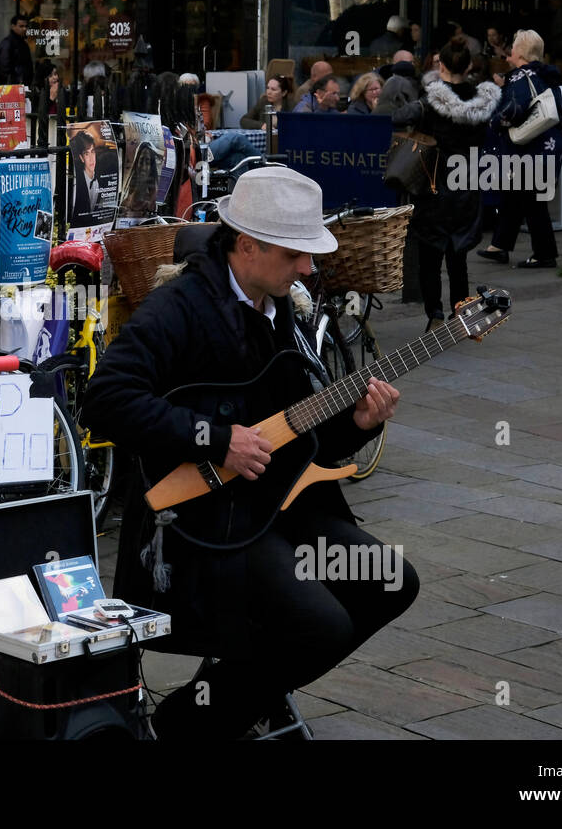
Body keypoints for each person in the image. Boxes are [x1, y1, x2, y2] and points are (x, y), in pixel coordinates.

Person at [81, 166, 417, 740]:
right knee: (322, 626)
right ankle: (192, 722)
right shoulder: (179, 308)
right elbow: (104, 400)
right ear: (247, 245)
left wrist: (356, 425)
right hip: (200, 522)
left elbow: (295, 436)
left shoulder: (276, 303)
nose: (309, 268)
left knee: (392, 581)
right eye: (296, 255)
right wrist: (213, 437)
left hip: (277, 505)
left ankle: (236, 695)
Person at [392, 36, 500, 330]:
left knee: (430, 256)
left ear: (441, 65)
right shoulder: (482, 103)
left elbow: (397, 116)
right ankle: (461, 313)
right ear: (468, 67)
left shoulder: (429, 103)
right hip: (466, 185)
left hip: (433, 185)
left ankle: (435, 316)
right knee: (458, 256)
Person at [476, 29, 561, 268]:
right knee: (515, 197)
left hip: (526, 149)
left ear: (519, 52)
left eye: (513, 46)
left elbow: (514, 110)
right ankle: (499, 246)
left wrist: (493, 122)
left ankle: (545, 254)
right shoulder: (545, 75)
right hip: (545, 146)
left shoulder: (519, 77)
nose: (510, 50)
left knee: (532, 201)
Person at [0, 14, 34, 87]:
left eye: (26, 26)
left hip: (21, 85)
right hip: (11, 86)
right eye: (21, 26)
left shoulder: (23, 44)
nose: (24, 29)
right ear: (13, 26)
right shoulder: (8, 43)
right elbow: (4, 67)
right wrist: (15, 82)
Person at [69, 129, 103, 221]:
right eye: (86, 154)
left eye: (92, 151)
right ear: (81, 158)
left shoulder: (100, 180)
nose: (92, 158)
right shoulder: (77, 183)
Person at [373, 50, 420, 114]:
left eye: (413, 62)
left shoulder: (417, 80)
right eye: (410, 62)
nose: (413, 65)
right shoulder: (378, 79)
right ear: (399, 62)